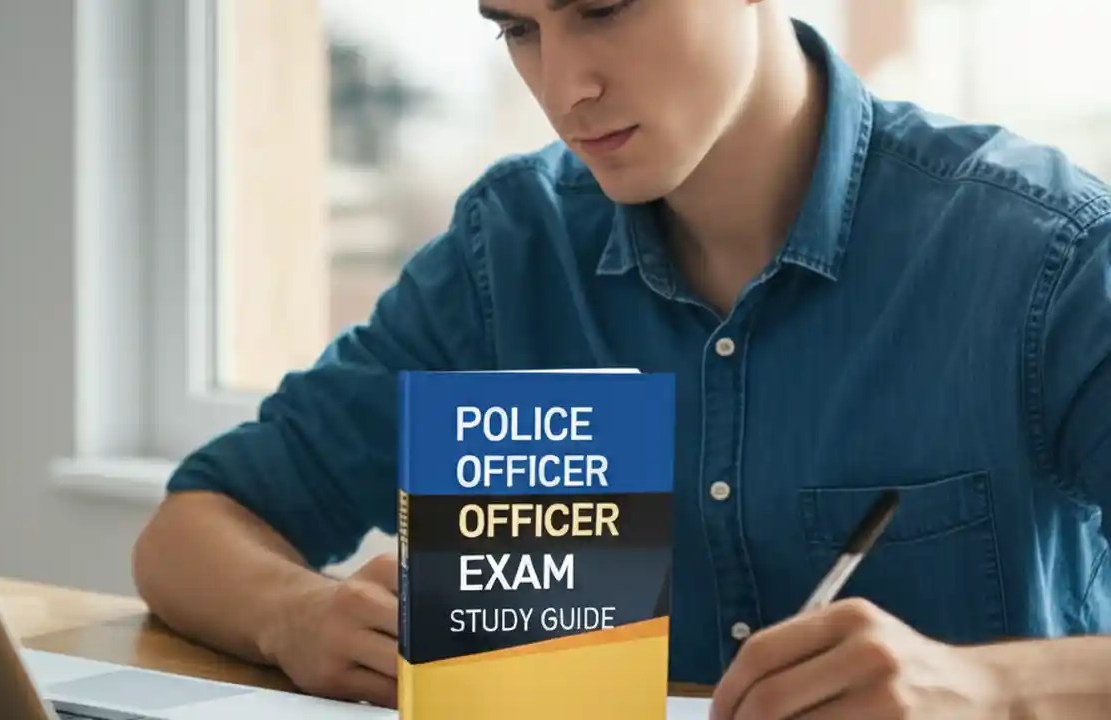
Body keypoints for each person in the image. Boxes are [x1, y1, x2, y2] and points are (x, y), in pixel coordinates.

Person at [132, 0, 1111, 717]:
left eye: (601, 9)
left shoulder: (1041, 256)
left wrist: (989, 688)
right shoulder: (509, 254)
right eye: (517, 28)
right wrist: (294, 616)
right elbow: (189, 531)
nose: (563, 88)